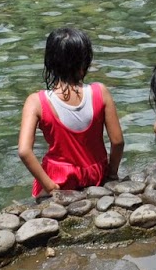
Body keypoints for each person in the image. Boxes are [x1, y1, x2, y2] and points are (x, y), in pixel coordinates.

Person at [17, 26, 123, 197]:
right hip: (96, 175)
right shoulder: (100, 92)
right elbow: (117, 142)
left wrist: (49, 186)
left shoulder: (36, 102)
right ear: (84, 62)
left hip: (59, 179)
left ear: (50, 63)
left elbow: (24, 151)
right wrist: (111, 174)